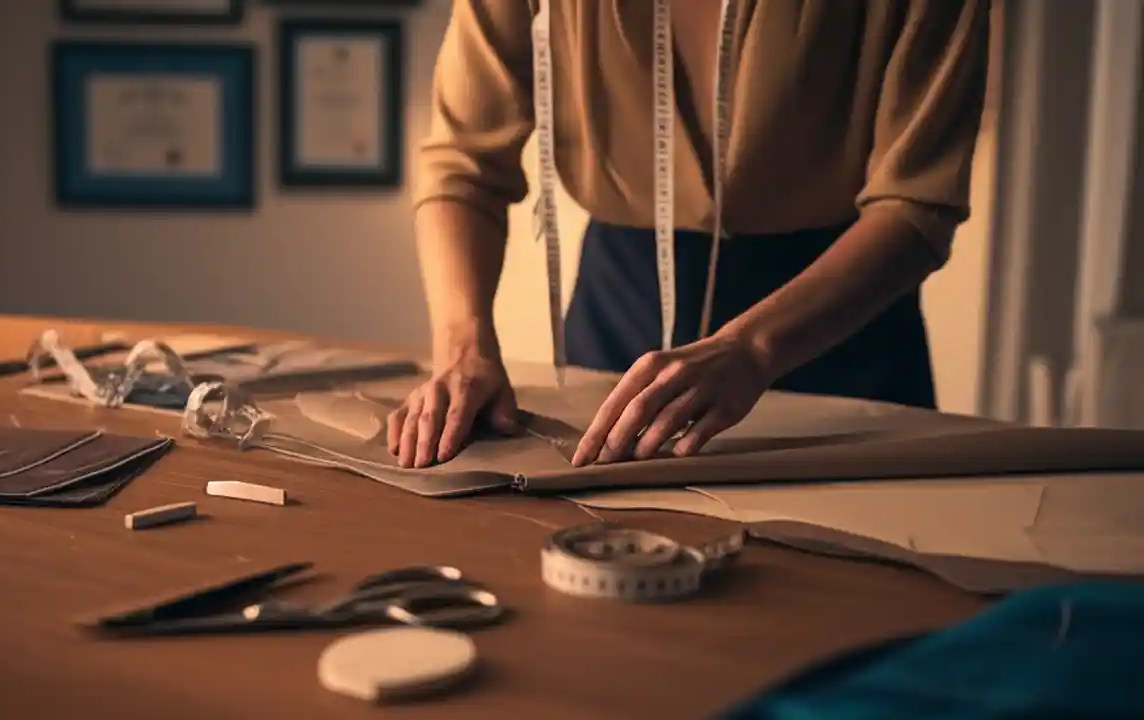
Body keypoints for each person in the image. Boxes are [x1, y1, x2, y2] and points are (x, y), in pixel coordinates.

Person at [388, 0, 990, 469]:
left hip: (841, 339)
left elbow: (916, 202)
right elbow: (462, 165)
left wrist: (755, 348)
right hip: (616, 325)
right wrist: (463, 347)